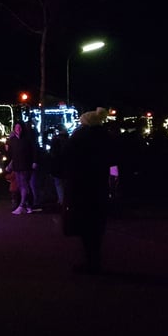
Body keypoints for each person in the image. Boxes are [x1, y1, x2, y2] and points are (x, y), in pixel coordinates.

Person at [62, 107, 118, 274]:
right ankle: (95, 261)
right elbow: (112, 159)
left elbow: (67, 157)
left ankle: (91, 263)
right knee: (96, 225)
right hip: (99, 185)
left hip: (82, 186)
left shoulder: (80, 137)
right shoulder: (106, 137)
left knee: (86, 225)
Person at [7, 121, 40, 214]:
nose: (18, 129)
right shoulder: (13, 140)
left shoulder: (28, 139)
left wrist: (34, 161)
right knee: (22, 186)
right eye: (16, 128)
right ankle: (28, 205)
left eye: (19, 127)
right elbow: (11, 153)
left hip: (26, 165)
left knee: (24, 185)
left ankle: (22, 205)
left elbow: (34, 150)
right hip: (17, 166)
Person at [47, 125, 69, 211]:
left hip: (57, 165)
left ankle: (61, 201)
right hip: (66, 165)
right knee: (64, 184)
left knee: (58, 184)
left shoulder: (55, 140)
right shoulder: (69, 140)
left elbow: (52, 153)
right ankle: (65, 200)